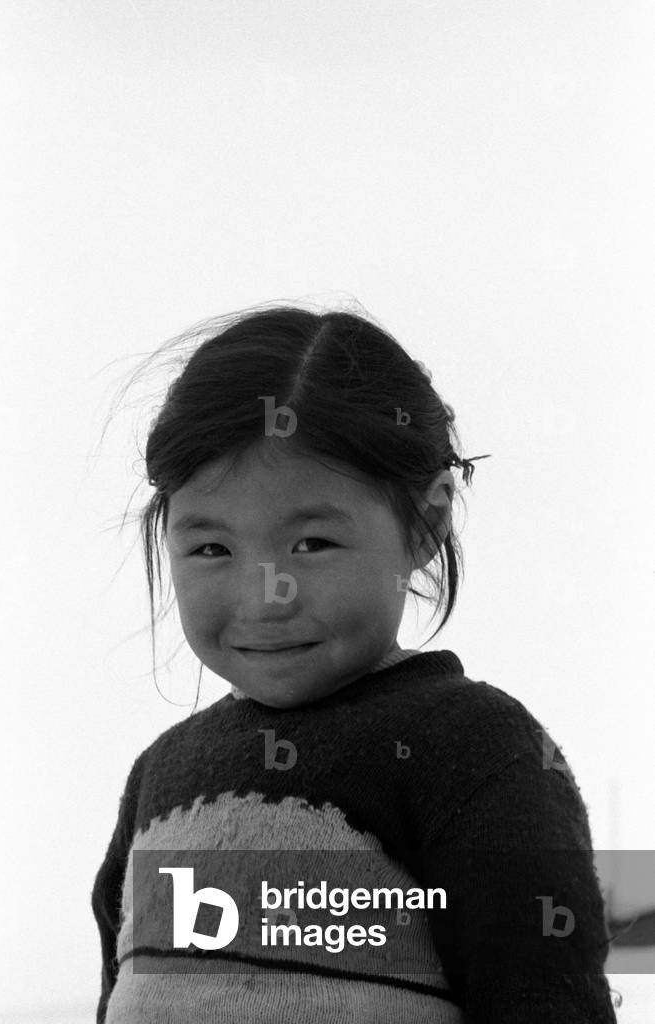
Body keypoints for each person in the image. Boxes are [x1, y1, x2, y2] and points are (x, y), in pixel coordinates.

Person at [91, 302, 618, 1023]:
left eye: (312, 543)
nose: (264, 597)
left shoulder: (473, 753)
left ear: (426, 523)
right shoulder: (158, 777)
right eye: (211, 548)